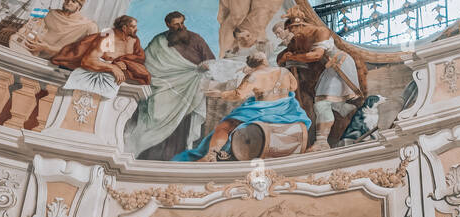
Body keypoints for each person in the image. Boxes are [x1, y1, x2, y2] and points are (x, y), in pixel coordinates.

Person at [174, 52, 307, 162]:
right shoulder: (284, 71)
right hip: (286, 109)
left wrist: (221, 94)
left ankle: (211, 155)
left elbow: (239, 94)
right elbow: (293, 87)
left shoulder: (253, 76)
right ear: (265, 60)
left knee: (224, 126)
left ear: (251, 65)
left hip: (263, 110)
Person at [126, 11, 215, 160]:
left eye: (182, 23)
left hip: (188, 89)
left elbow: (212, 62)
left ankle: (172, 157)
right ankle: (145, 154)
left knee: (179, 126)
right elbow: (148, 62)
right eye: (176, 24)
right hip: (161, 86)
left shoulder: (196, 39)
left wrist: (205, 67)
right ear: (168, 25)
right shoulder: (158, 41)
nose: (181, 27)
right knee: (155, 110)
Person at [276, 10, 365, 151]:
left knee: (321, 104)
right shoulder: (300, 39)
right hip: (331, 68)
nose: (293, 33)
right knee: (323, 100)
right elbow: (283, 56)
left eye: (292, 29)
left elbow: (317, 55)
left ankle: (322, 142)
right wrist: (285, 57)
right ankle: (344, 108)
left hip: (339, 64)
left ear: (299, 25)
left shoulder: (321, 31)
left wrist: (292, 57)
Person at [50, 14, 149, 97]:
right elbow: (88, 61)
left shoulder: (133, 40)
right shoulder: (107, 38)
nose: (136, 29)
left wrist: (125, 62)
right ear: (124, 28)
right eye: (133, 26)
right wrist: (113, 67)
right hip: (87, 64)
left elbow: (139, 58)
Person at [7, 0, 97, 61]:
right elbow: (28, 26)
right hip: (29, 48)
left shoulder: (88, 26)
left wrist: (47, 48)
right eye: (67, 0)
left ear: (80, 6)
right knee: (14, 38)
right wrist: (19, 34)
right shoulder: (48, 12)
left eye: (73, 1)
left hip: (52, 60)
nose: (68, 2)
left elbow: (82, 52)